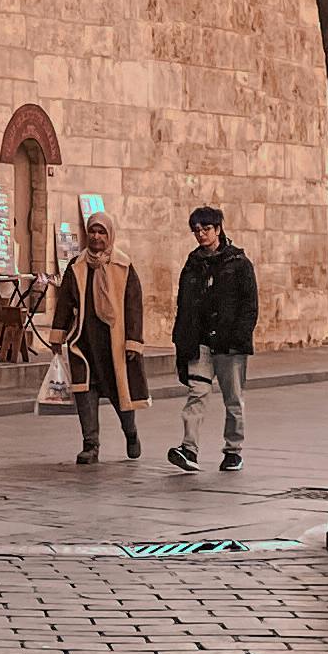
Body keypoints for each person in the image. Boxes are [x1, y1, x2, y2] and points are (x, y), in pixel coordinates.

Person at [167, 202, 258, 472]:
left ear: (218, 229)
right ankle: (189, 448)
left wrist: (240, 337)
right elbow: (183, 304)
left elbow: (249, 305)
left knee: (233, 399)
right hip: (200, 342)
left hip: (230, 343)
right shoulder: (193, 264)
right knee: (198, 392)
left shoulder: (239, 263)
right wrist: (181, 343)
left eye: (206, 228)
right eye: (196, 230)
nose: (201, 234)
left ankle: (233, 450)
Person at [48, 214, 145, 461]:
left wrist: (133, 341)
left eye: (102, 232)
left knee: (119, 392)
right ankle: (91, 445)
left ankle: (130, 432)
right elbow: (64, 302)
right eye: (93, 232)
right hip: (83, 340)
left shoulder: (123, 266)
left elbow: (133, 306)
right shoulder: (76, 266)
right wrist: (58, 334)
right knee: (84, 390)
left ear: (109, 235)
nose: (96, 237)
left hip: (114, 340)